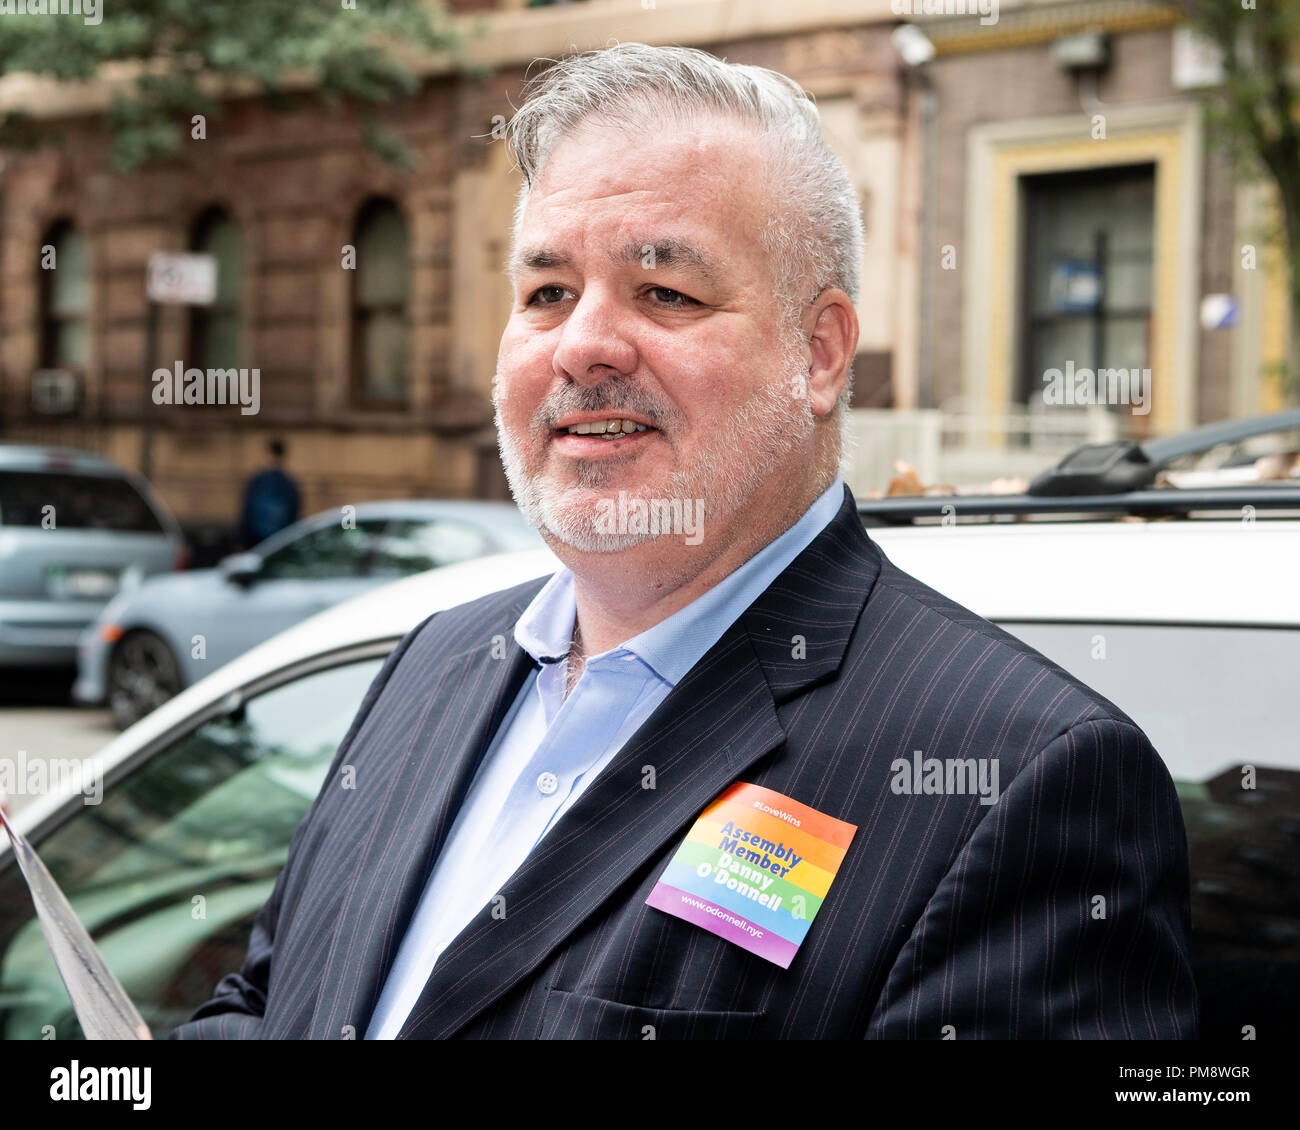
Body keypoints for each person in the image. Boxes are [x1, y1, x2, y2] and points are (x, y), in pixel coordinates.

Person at [172, 43, 1197, 1040]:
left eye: (665, 292)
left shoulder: (1017, 777)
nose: (582, 345)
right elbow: (269, 1001)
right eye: (546, 293)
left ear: (820, 352)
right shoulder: (433, 660)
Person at [237, 438, 300, 549]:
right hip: (279, 540)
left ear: (268, 454)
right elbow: (294, 513)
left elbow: (247, 511)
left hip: (256, 539)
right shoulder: (289, 483)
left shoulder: (258, 480)